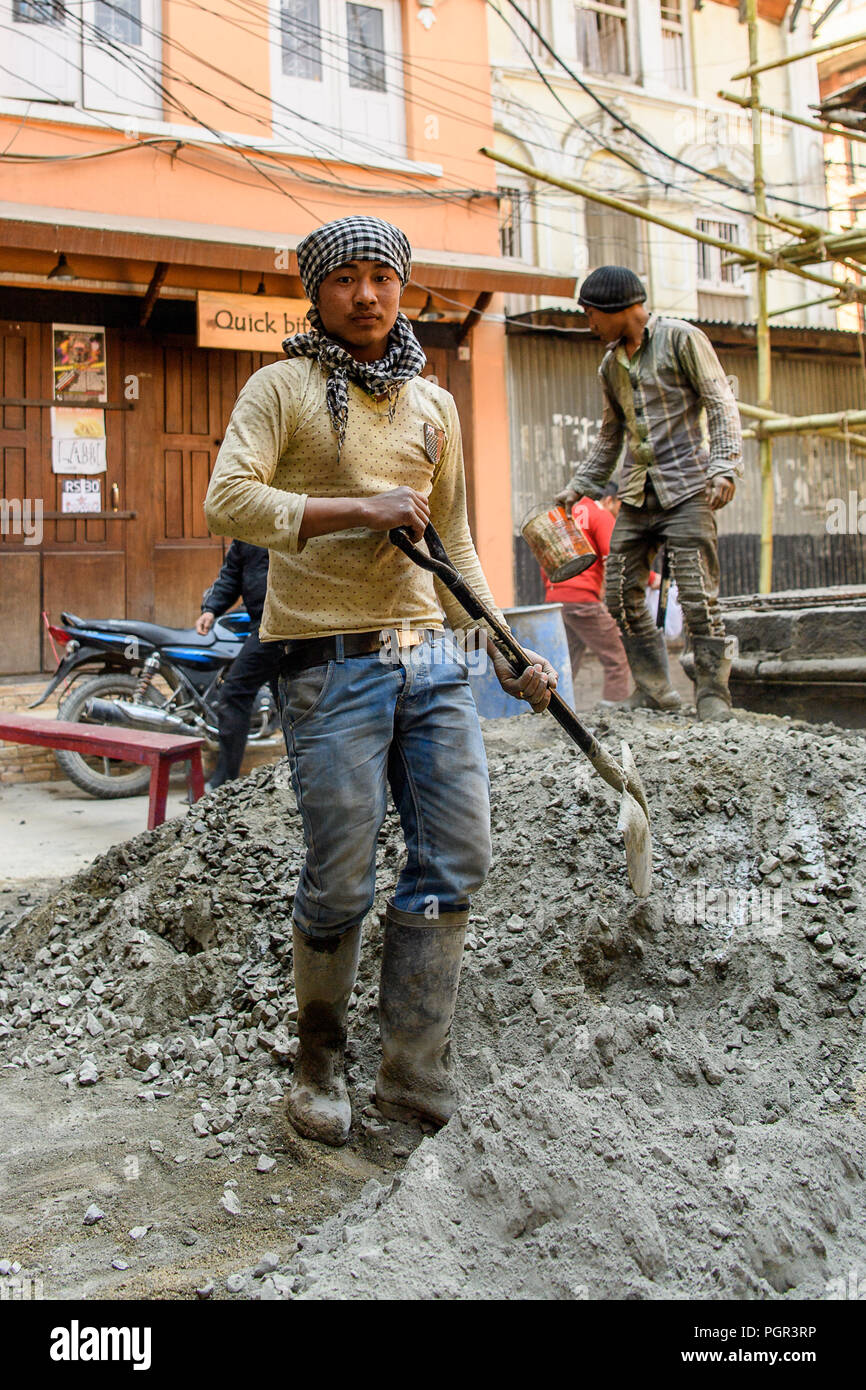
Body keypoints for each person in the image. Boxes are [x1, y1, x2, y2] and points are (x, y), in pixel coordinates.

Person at [204, 215, 556, 1148]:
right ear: (315, 292)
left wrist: (503, 646)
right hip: (327, 661)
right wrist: (357, 507)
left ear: (404, 287)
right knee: (341, 877)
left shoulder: (432, 406)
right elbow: (228, 499)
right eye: (346, 278)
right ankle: (318, 1061)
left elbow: (457, 544)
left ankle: (412, 1073)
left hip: (433, 660)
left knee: (456, 855)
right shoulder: (279, 386)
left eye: (384, 277)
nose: (367, 293)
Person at [557, 265, 742, 721]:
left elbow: (720, 403)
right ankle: (656, 689)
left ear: (618, 309)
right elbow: (610, 436)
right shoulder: (609, 364)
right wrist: (579, 488)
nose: (590, 324)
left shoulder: (682, 339)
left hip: (687, 489)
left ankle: (713, 692)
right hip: (637, 495)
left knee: (697, 595)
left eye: (591, 314)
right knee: (619, 592)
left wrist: (724, 469)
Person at [195, 540, 280, 791]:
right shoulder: (246, 529)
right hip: (263, 626)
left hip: (282, 626)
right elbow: (232, 573)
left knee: (235, 692)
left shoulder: (292, 515)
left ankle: (225, 780)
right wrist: (211, 609)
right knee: (285, 695)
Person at [541, 481, 631, 705]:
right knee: (616, 657)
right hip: (584, 601)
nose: (618, 514)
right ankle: (614, 710)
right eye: (619, 507)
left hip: (556, 600)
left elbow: (545, 559)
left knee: (566, 662)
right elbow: (613, 557)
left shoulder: (560, 515)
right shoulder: (601, 515)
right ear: (609, 499)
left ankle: (552, 708)